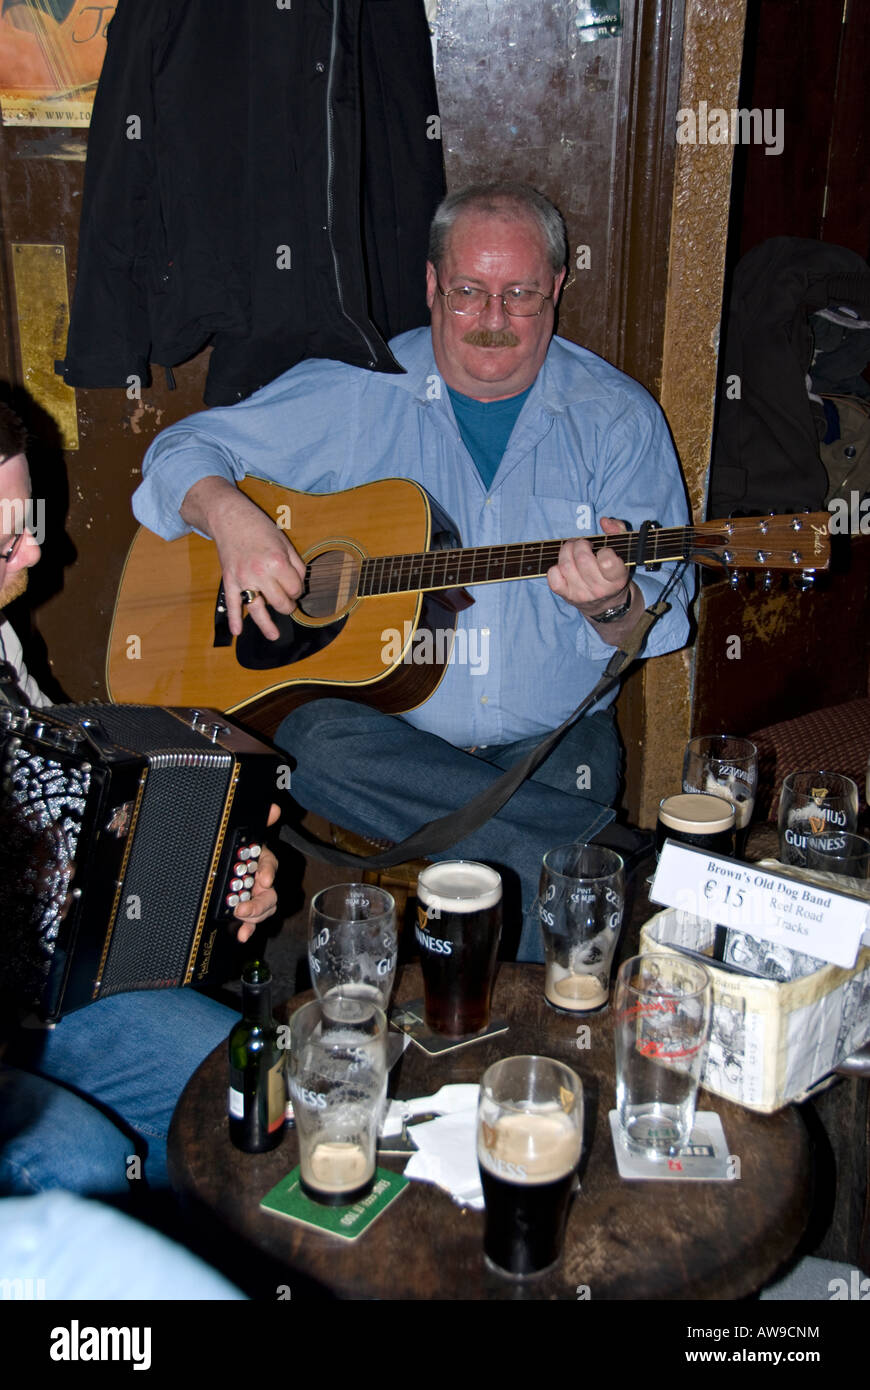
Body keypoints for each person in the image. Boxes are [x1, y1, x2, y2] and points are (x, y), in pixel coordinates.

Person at [134, 182, 692, 959]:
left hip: (550, 736)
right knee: (317, 746)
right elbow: (176, 455)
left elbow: (661, 618)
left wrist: (611, 606)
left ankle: (520, 1027)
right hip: (380, 737)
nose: (494, 320)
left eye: (520, 294)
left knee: (560, 842)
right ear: (432, 285)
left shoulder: (618, 417)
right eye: (468, 291)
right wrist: (231, 518)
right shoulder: (359, 390)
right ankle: (620, 860)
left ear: (557, 289)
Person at [0, 402, 279, 1196]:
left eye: (28, 521)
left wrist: (213, 876)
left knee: (252, 1086)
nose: (40, 549)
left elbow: (73, 796)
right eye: (4, 542)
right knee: (83, 1162)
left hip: (44, 991)